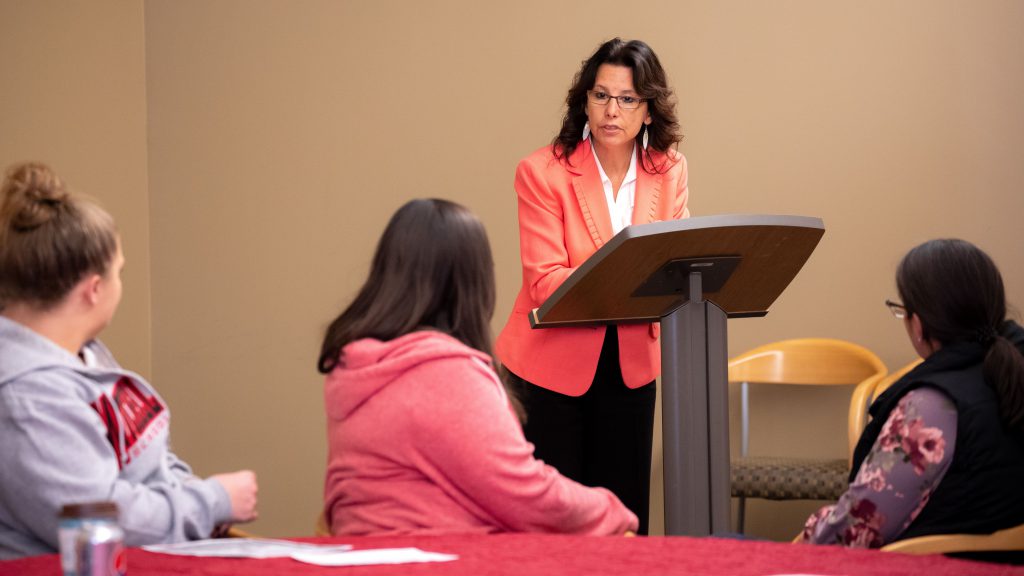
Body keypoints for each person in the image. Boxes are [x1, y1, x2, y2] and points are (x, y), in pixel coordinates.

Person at [318, 198, 638, 536]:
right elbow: (526, 496)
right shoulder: (445, 373)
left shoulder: (354, 363)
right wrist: (613, 511)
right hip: (439, 556)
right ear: (471, 280)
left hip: (368, 552)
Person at [0, 163, 258, 559]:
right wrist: (212, 501)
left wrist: (191, 498)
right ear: (94, 289)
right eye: (119, 271)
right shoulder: (27, 397)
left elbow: (148, 462)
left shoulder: (87, 355)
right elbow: (94, 520)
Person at [495, 38, 688, 534]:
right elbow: (546, 282)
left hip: (631, 369)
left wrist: (641, 282)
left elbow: (677, 265)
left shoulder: (670, 170)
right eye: (600, 95)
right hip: (548, 369)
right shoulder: (542, 172)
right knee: (554, 528)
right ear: (584, 101)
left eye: (627, 99)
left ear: (648, 110)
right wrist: (636, 285)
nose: (611, 110)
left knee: (624, 523)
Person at [801, 239, 1024, 547]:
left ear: (918, 325)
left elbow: (850, 533)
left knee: (722, 542)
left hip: (934, 568)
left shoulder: (929, 409)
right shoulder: (1010, 372)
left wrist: (808, 532)